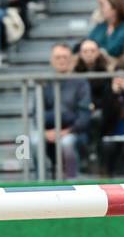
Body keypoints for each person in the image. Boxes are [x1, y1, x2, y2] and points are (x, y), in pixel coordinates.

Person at [37, 43, 94, 178]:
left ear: (71, 59)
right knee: (27, 141)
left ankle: (71, 180)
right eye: (58, 57)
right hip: (47, 131)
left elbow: (84, 116)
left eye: (65, 57)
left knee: (67, 143)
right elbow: (37, 113)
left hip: (74, 132)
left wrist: (65, 131)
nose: (61, 60)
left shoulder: (81, 83)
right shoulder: (44, 83)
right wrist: (45, 132)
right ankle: (38, 179)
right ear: (51, 60)